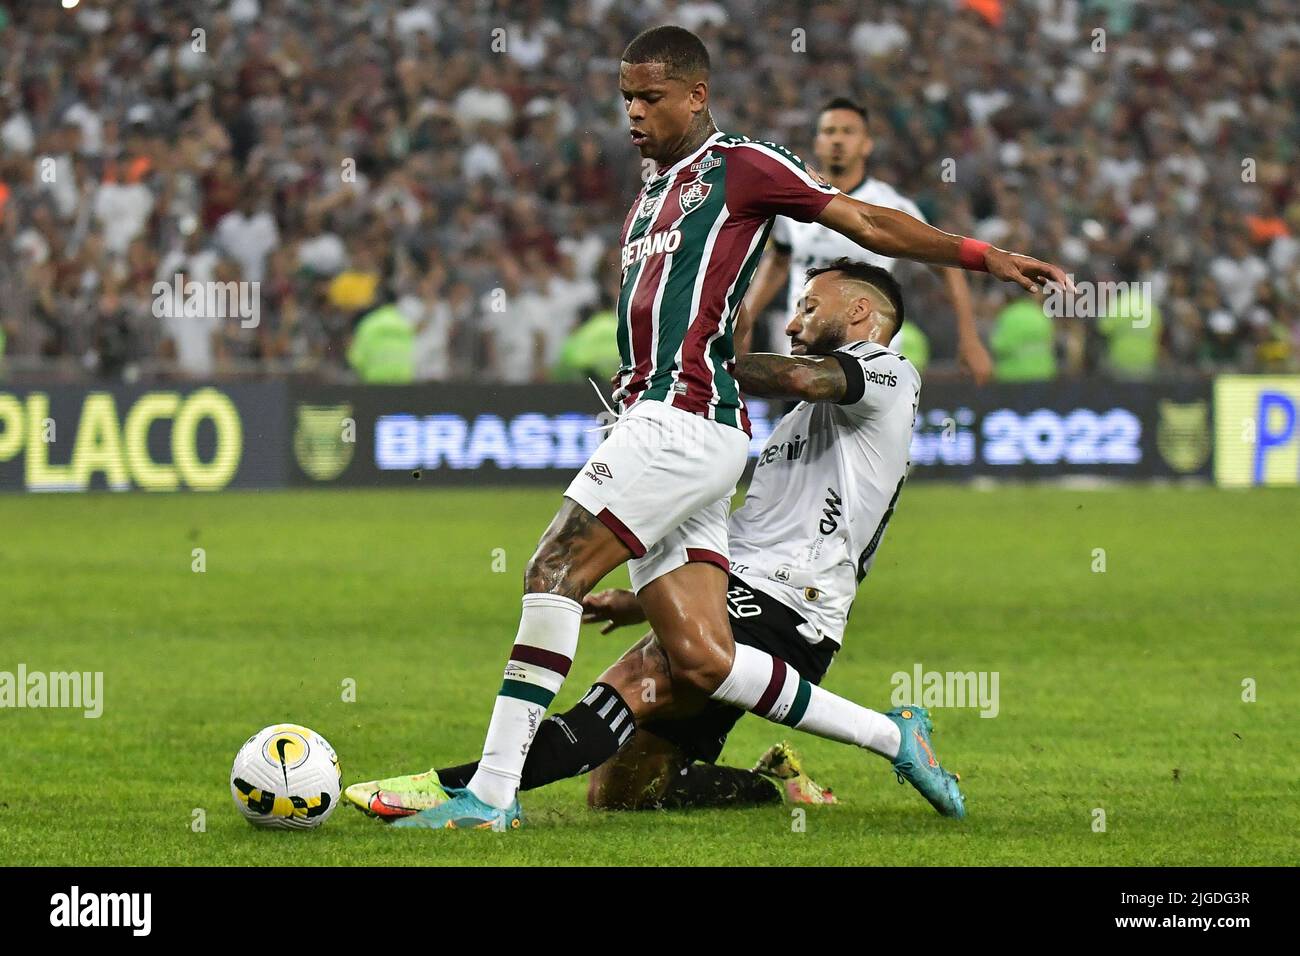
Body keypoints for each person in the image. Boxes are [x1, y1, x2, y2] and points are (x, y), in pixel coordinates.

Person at [383, 25, 1066, 831]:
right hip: (667, 418)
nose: (633, 112)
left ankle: (487, 798)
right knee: (701, 656)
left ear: (696, 95)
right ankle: (890, 737)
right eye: (626, 98)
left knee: (553, 570)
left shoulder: (743, 165)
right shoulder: (649, 195)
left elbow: (869, 225)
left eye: (651, 97)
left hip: (685, 415)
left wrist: (986, 257)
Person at [347, 261, 965, 819]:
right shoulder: (800, 425)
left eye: (809, 306)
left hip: (792, 607)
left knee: (626, 690)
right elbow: (753, 532)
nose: (795, 322)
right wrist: (641, 601)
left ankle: (447, 789)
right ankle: (773, 787)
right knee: (623, 793)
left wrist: (687, 369)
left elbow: (803, 378)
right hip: (741, 592)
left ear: (860, 313)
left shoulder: (891, 374)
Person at [741, 98, 992, 383]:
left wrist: (969, 338)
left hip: (869, 362)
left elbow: (946, 266)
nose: (837, 140)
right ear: (817, 143)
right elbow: (779, 260)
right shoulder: (792, 204)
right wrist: (745, 319)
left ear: (866, 144)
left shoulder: (892, 207)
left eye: (848, 132)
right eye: (829, 131)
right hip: (803, 357)